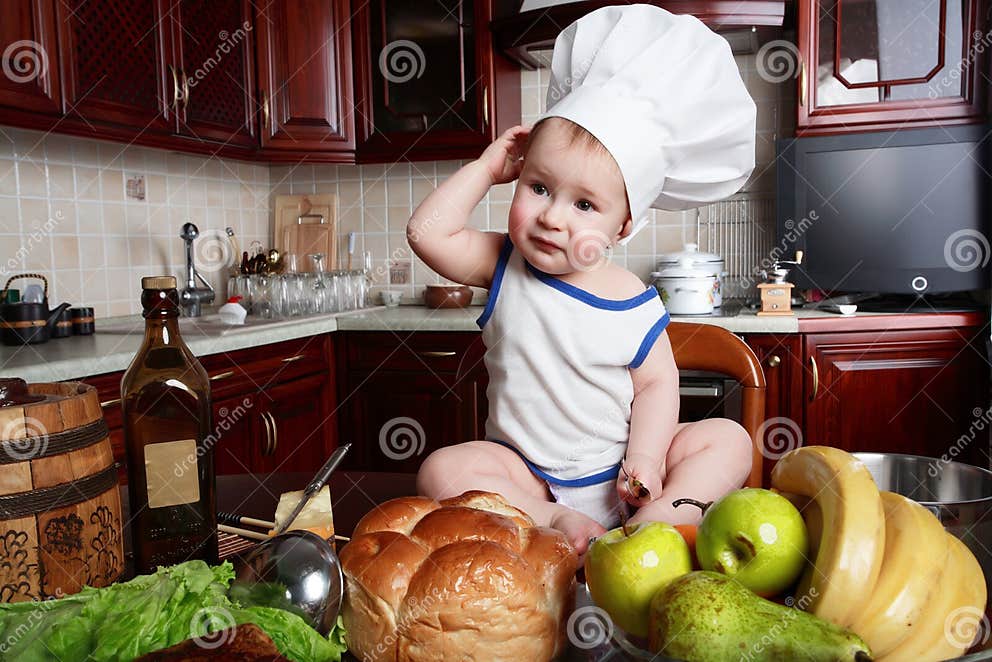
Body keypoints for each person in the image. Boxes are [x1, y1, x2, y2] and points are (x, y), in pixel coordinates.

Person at [408, 4, 757, 554]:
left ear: (622, 225)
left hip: (624, 475)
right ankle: (554, 521)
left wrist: (644, 458)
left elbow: (658, 385)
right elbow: (427, 233)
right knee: (442, 469)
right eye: (539, 187)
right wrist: (484, 169)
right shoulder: (504, 265)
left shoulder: (634, 302)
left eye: (585, 204)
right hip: (527, 480)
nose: (552, 217)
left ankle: (666, 516)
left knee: (729, 440)